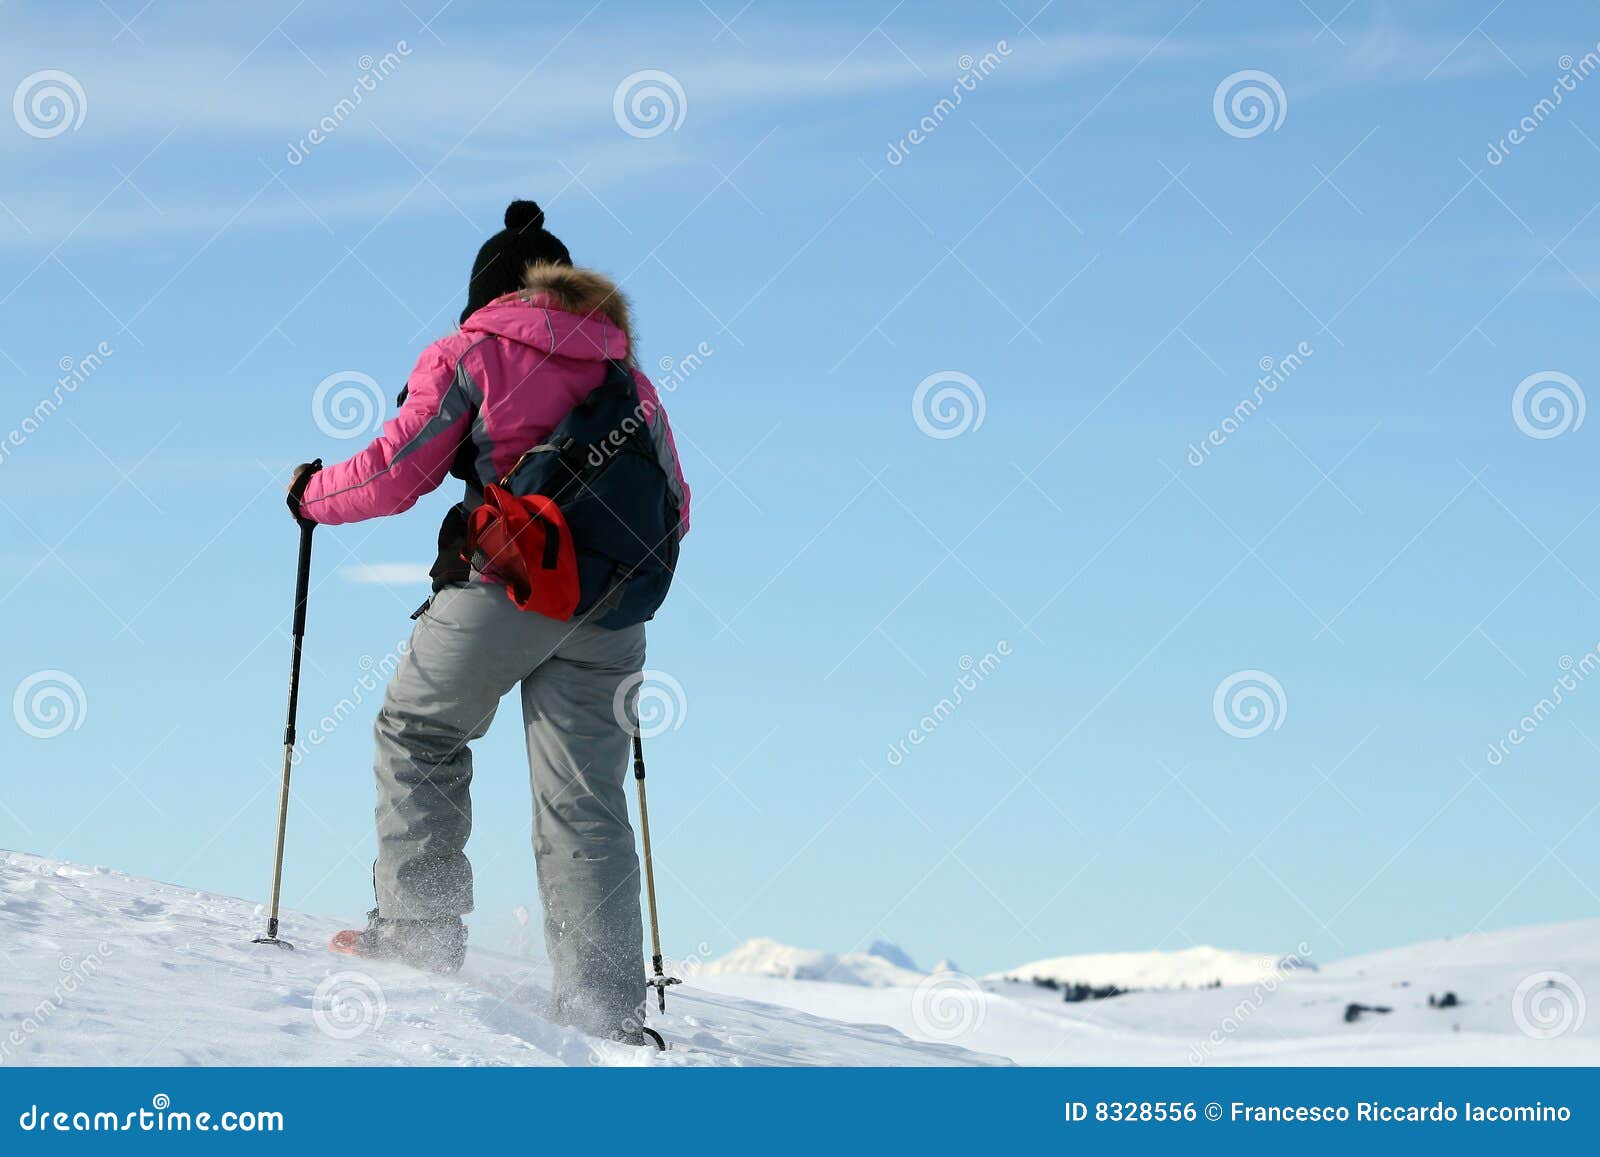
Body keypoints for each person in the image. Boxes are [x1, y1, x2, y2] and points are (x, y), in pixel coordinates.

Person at [285, 200, 690, 1044]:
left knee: (418, 728)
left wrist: (310, 497)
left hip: (508, 585)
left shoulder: (472, 350)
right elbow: (677, 509)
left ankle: (420, 930)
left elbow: (397, 470)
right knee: (586, 800)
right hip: (613, 608)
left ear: (489, 294)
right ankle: (605, 1008)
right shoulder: (631, 380)